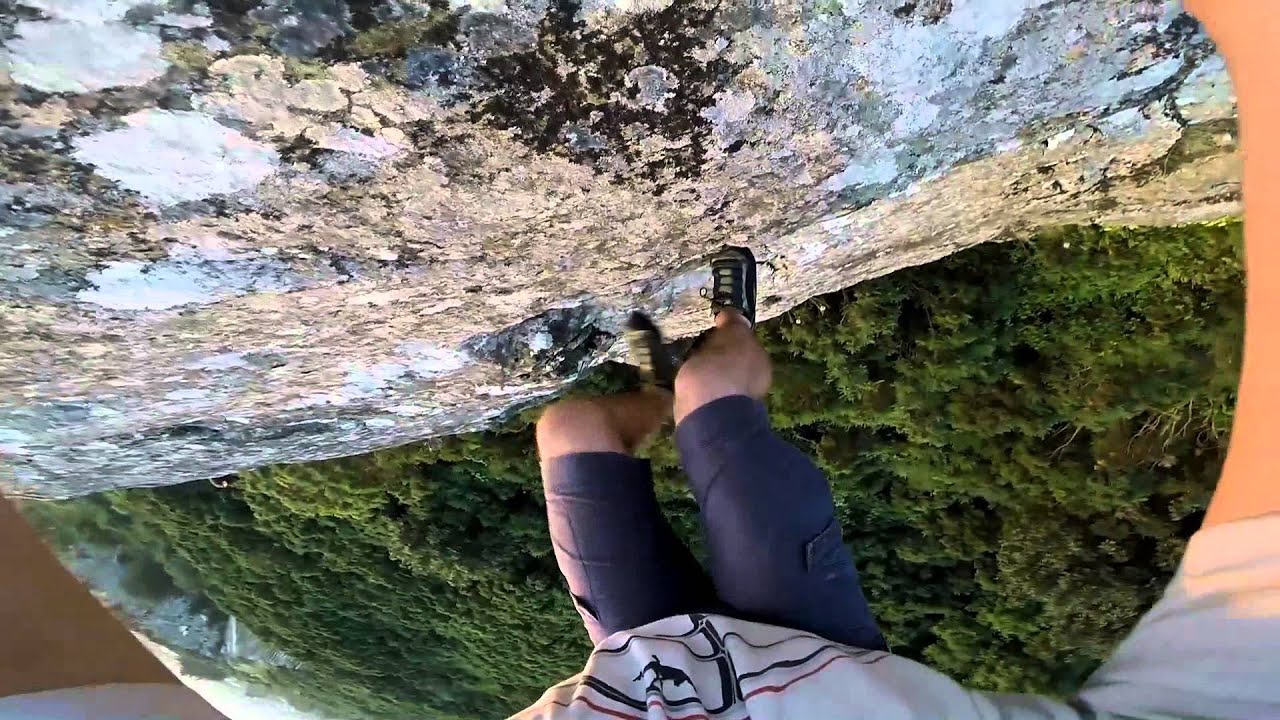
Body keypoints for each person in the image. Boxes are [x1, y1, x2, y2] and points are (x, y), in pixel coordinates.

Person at [0, 2, 1275, 719]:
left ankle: (690, 371)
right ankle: (681, 369)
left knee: (644, 414)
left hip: (722, 662)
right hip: (726, 660)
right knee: (647, 413)